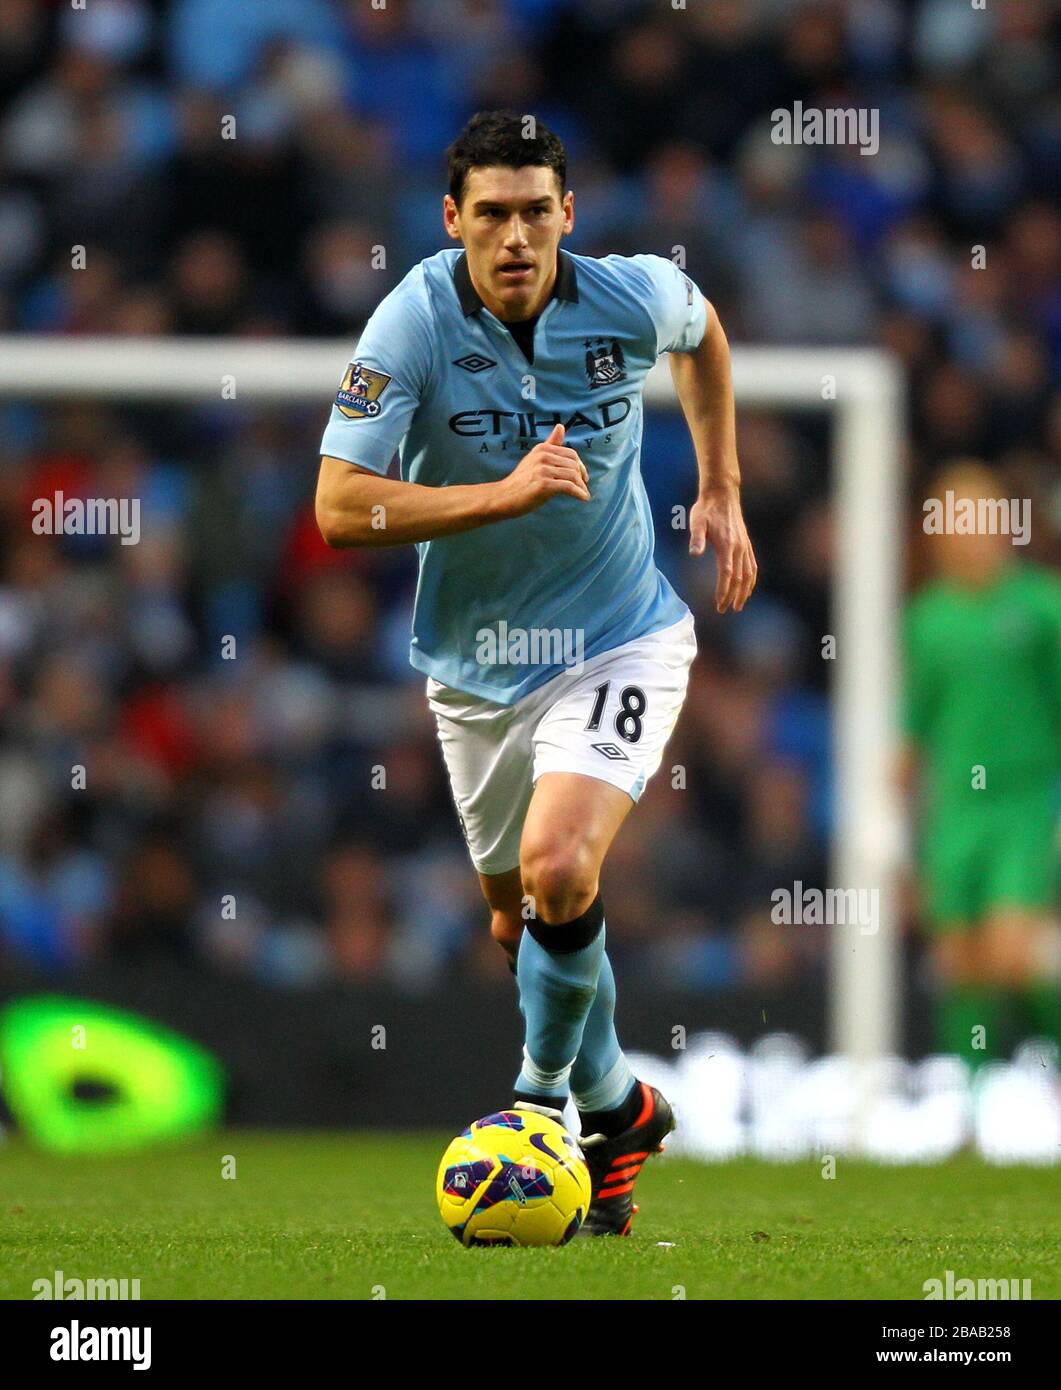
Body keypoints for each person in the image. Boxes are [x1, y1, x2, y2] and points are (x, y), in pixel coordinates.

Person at [315, 111, 757, 1235]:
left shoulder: (629, 295)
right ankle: (622, 1109)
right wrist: (497, 494)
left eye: (534, 211)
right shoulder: (408, 321)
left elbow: (702, 334)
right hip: (473, 670)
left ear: (567, 215)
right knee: (522, 932)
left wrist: (721, 486)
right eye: (491, 213)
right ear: (451, 218)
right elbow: (336, 507)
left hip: (619, 635)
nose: (514, 235)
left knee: (562, 867)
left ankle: (541, 1106)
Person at [902, 460, 1061, 1069]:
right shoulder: (928, 619)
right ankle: (969, 1110)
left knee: (1013, 955)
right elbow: (913, 726)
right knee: (961, 963)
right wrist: (896, 836)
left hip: (1022, 801)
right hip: (954, 807)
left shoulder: (1041, 609)